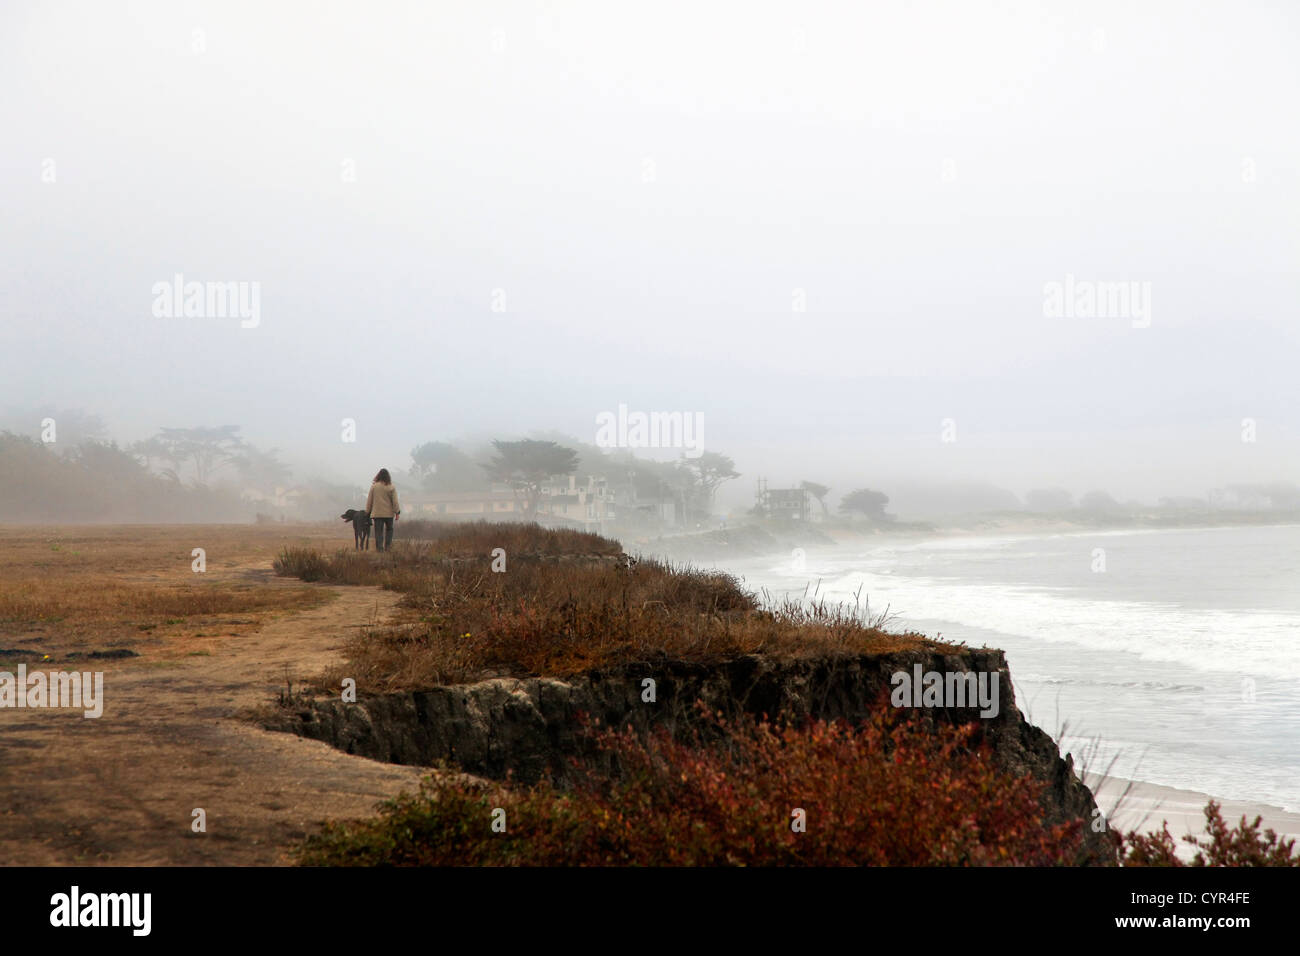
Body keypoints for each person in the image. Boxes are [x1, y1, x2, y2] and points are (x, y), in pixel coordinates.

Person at [365, 468, 400, 552]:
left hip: (377, 514)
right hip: (389, 514)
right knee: (389, 530)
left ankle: (380, 550)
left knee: (378, 532)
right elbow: (395, 501)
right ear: (388, 476)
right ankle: (388, 548)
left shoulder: (374, 486)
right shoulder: (391, 487)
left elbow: (369, 500)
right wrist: (397, 512)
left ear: (378, 476)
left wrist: (367, 512)